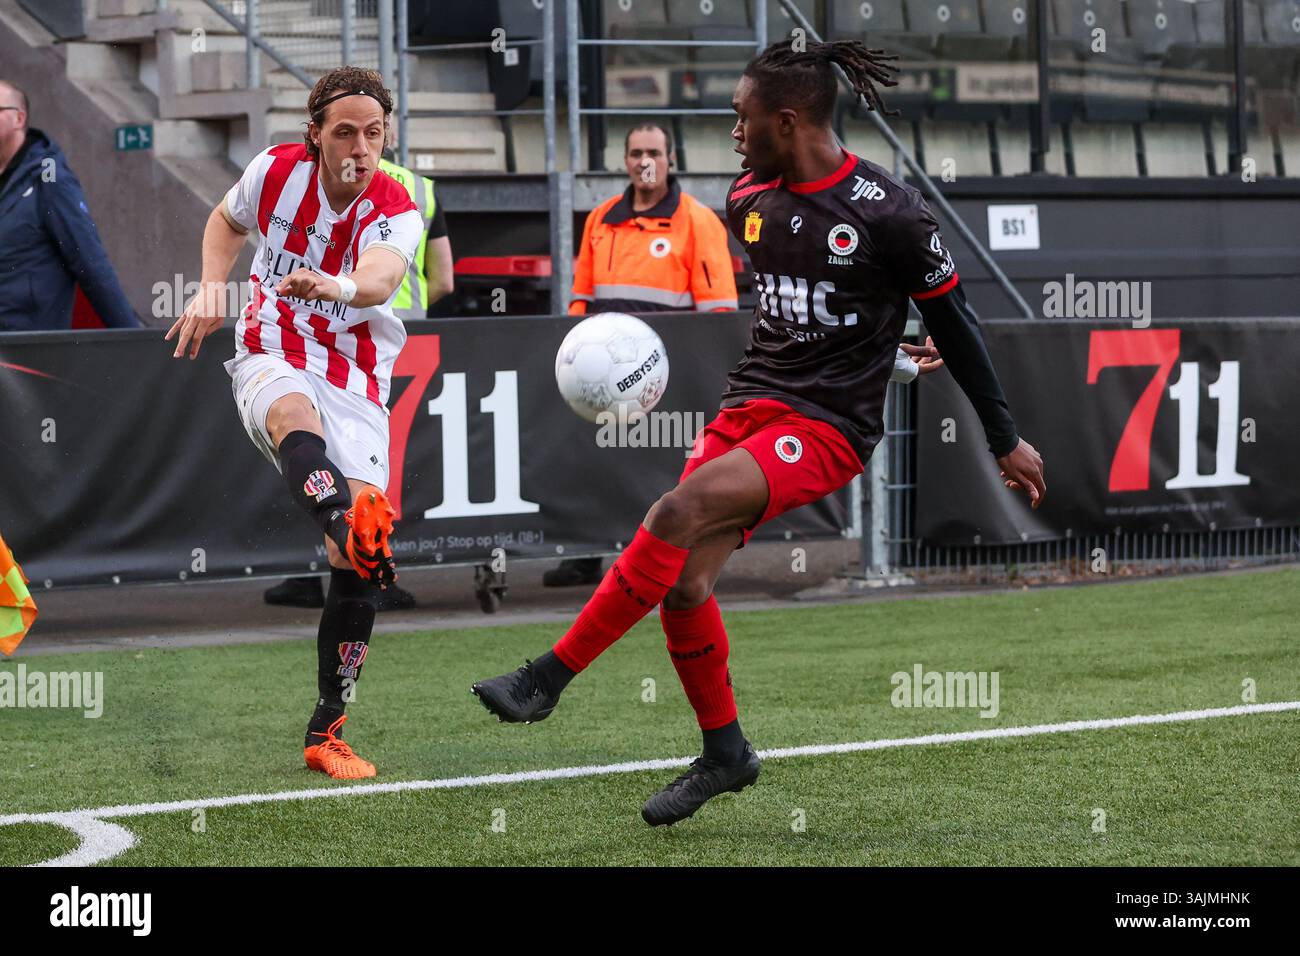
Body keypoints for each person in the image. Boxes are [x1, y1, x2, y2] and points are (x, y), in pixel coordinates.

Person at [471, 40, 1045, 826]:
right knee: (684, 585)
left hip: (829, 426)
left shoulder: (892, 213)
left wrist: (1003, 435)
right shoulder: (748, 197)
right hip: (754, 404)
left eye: (742, 117)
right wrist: (894, 357)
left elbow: (959, 323)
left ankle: (546, 679)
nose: (732, 132)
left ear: (787, 120)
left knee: (676, 513)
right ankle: (727, 754)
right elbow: (813, 310)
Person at [165, 66, 424, 779]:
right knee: (290, 415)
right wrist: (213, 289)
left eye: (375, 133)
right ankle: (343, 524)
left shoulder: (397, 205)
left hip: (357, 375)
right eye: (345, 132)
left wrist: (332, 283)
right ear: (315, 135)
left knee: (356, 563)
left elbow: (377, 281)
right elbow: (225, 218)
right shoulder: (274, 171)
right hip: (270, 346)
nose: (361, 148)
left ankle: (326, 732)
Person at [548, 122, 740, 589]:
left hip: (662, 375)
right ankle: (588, 553)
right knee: (596, 463)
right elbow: (581, 301)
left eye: (654, 151)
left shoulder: (698, 221)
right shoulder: (601, 220)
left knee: (658, 466)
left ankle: (659, 556)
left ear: (671, 159)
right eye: (636, 153)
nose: (644, 161)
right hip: (600, 377)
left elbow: (718, 313)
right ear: (626, 160)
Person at [261, 147, 453, 612]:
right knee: (373, 460)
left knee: (305, 445)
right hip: (389, 345)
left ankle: (317, 567)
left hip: (314, 332)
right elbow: (443, 279)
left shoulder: (316, 179)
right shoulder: (417, 186)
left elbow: (277, 259)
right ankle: (366, 557)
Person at [0, 79, 138, 331]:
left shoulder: (50, 179)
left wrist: (134, 339)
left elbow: (89, 261)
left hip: (28, 346)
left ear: (18, 119)